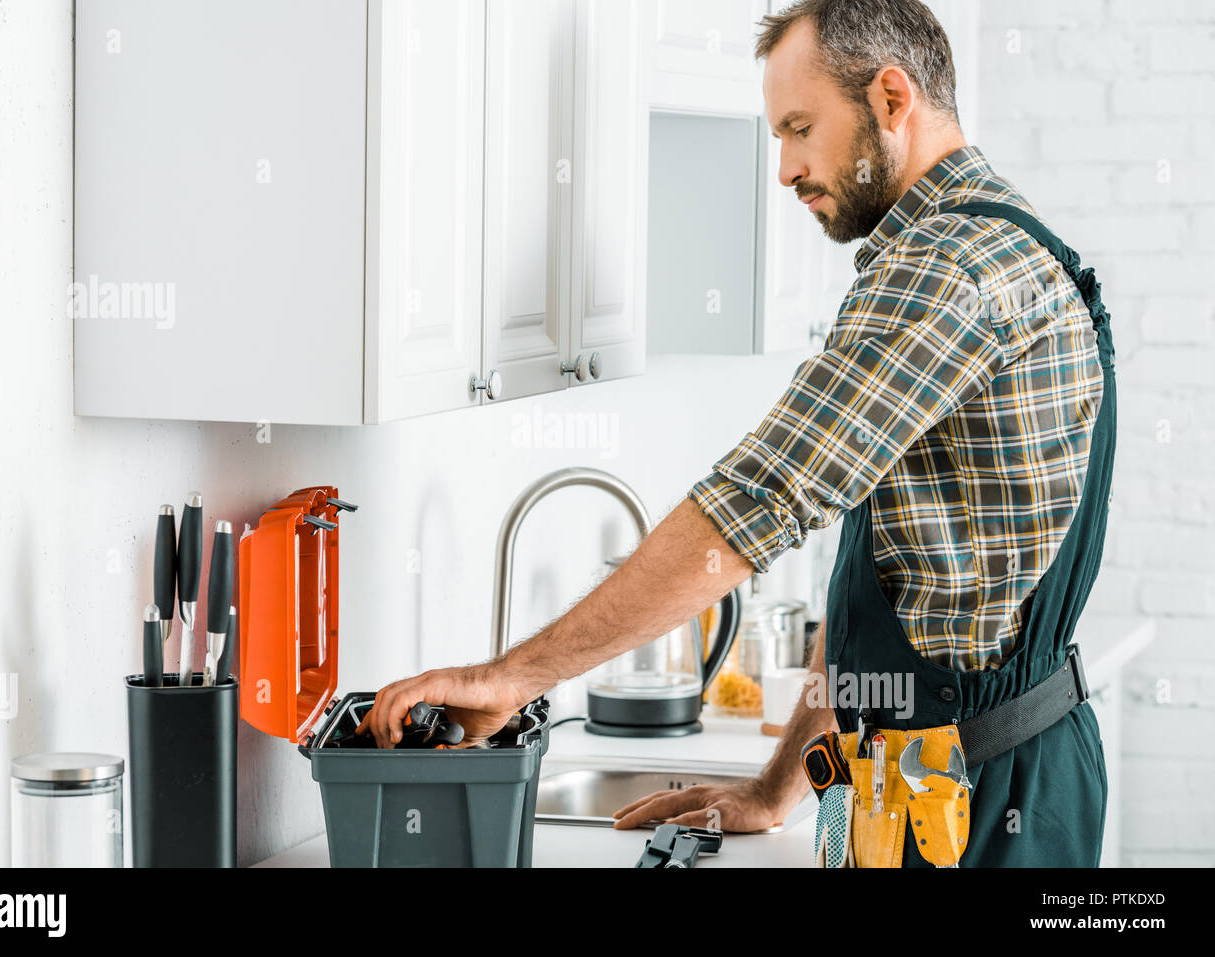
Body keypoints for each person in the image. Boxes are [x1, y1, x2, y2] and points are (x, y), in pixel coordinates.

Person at [359, 0, 1116, 867]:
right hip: (940, 776)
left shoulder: (945, 270)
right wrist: (780, 784)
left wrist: (513, 676)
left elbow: (758, 499)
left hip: (975, 799)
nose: (786, 167)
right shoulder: (988, 239)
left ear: (892, 98)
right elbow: (891, 590)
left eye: (801, 127)